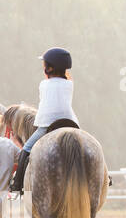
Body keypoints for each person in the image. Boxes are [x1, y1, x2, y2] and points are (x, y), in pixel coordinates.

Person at [9, 46, 78, 195]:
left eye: (44, 65)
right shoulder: (69, 84)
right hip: (71, 122)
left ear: (50, 68)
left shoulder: (44, 84)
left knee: (25, 150)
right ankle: (105, 176)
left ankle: (17, 183)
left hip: (47, 124)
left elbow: (45, 105)